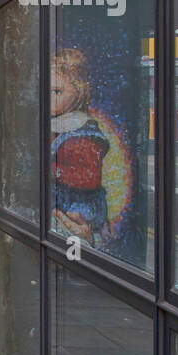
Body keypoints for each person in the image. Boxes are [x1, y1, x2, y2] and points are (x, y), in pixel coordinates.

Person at [50, 47, 108, 244]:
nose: (49, 98)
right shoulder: (57, 123)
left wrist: (52, 170)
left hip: (78, 210)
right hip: (60, 207)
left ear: (79, 90)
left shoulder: (82, 133)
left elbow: (89, 177)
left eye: (57, 91)